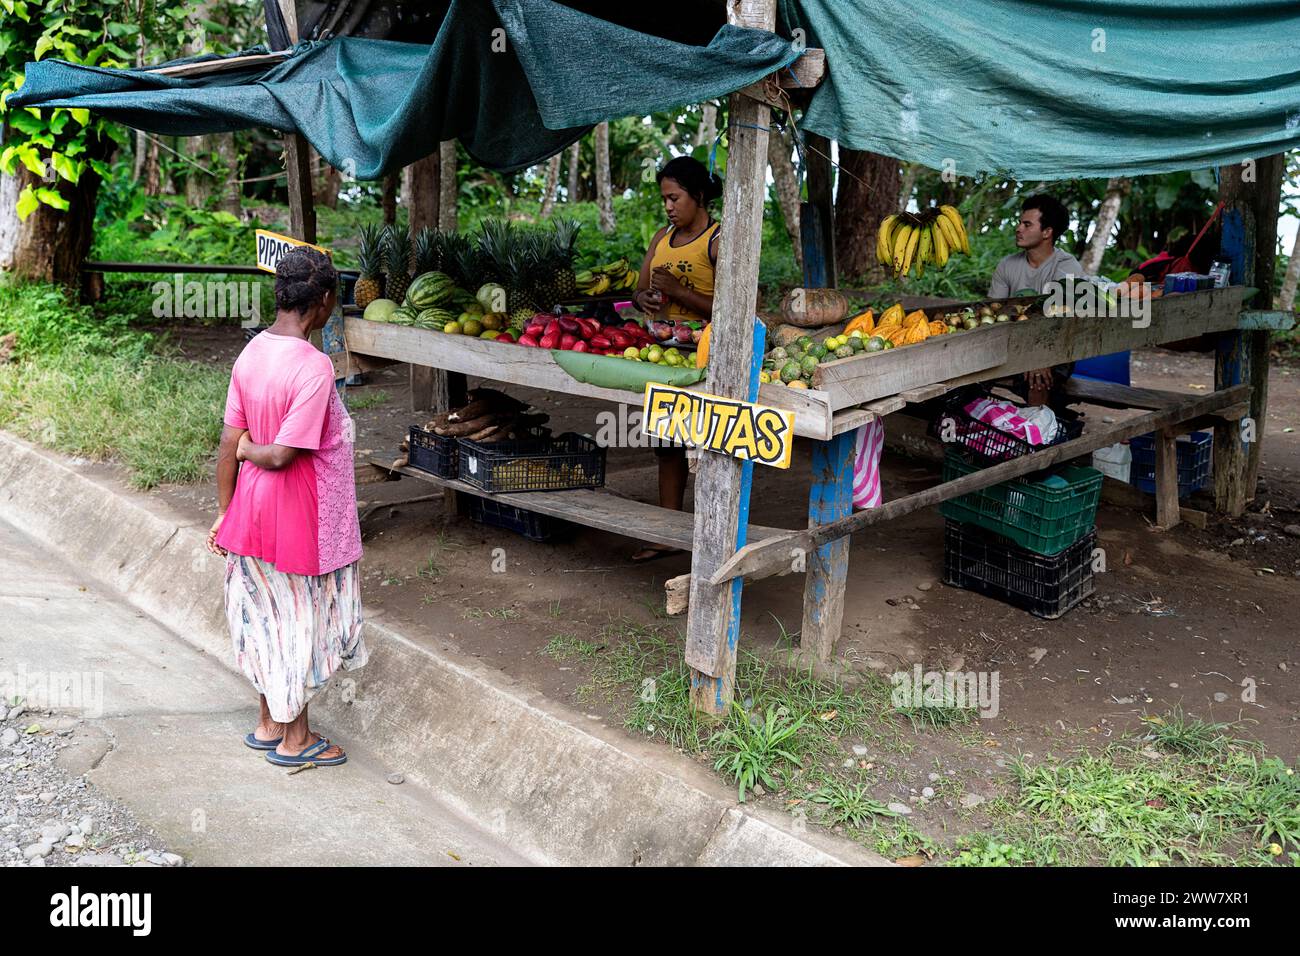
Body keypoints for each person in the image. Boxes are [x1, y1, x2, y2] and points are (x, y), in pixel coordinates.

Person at [206, 246, 366, 768]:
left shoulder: (251, 353)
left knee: (263, 616)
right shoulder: (314, 366)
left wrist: (225, 512)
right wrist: (253, 448)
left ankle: (268, 721)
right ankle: (296, 739)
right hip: (299, 517)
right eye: (333, 302)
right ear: (322, 301)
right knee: (298, 620)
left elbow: (226, 444)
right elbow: (274, 454)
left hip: (250, 513)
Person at [628, 156, 722, 562]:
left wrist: (681, 293)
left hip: (707, 358)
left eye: (675, 197)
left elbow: (738, 308)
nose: (668, 206)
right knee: (666, 442)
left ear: (697, 196)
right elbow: (638, 290)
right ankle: (669, 532)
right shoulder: (660, 238)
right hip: (665, 356)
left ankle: (713, 539)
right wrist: (646, 297)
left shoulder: (718, 240)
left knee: (709, 447)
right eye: (664, 198)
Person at [989, 194, 1085, 407]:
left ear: (1047, 232)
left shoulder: (1067, 267)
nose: (1018, 228)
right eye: (1019, 222)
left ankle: (1036, 434)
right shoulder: (1007, 265)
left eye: (1027, 224)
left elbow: (1064, 324)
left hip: (1057, 346)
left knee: (1038, 380)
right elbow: (994, 312)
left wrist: (1038, 358)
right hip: (1013, 342)